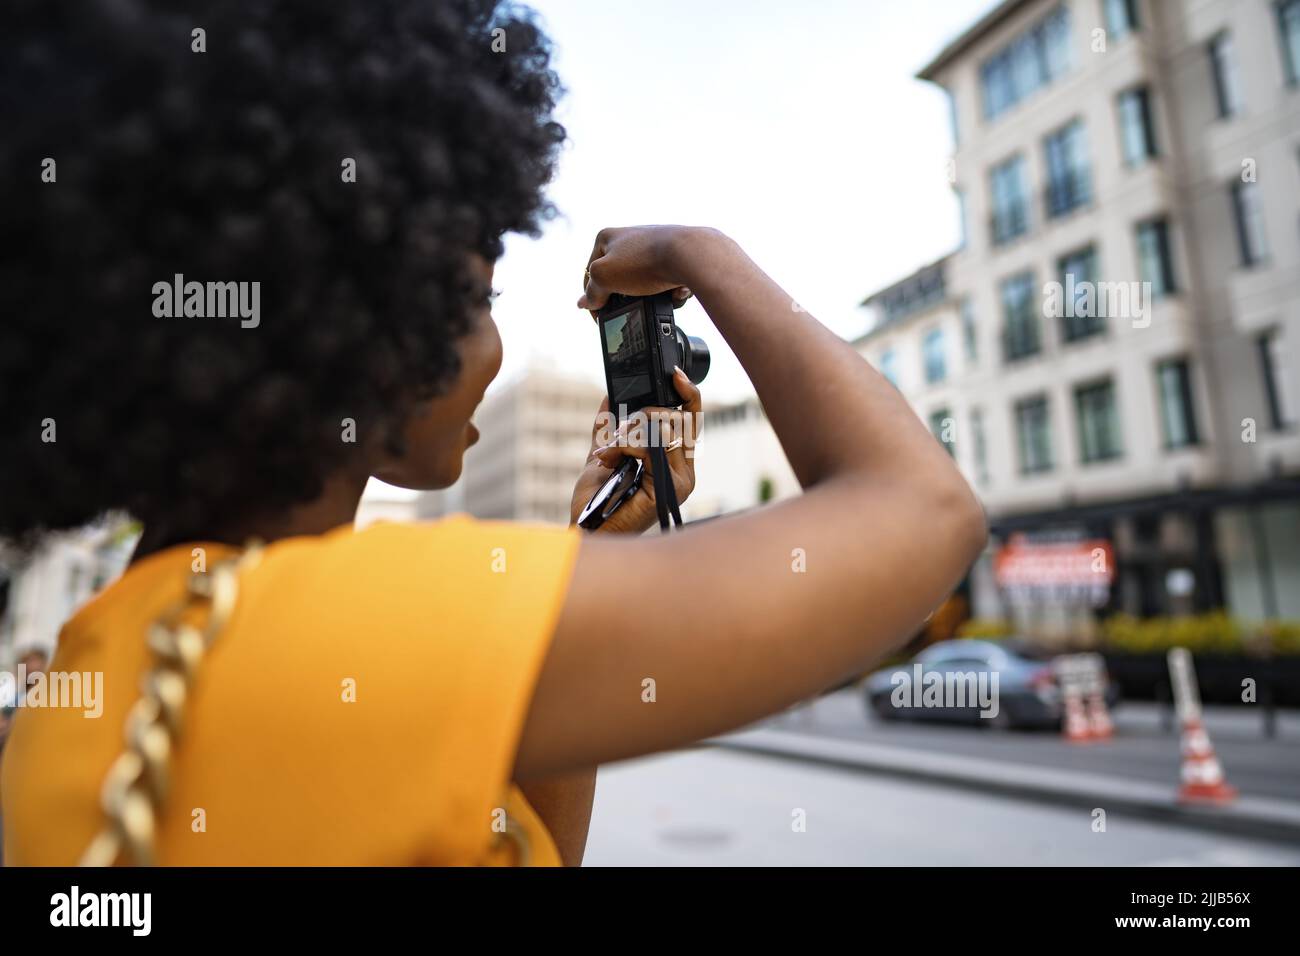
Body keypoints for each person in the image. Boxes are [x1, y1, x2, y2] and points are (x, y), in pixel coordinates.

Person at [0, 0, 985, 866]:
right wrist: (702, 254)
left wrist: (593, 545)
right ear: (365, 322)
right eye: (478, 294)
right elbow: (922, 506)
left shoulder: (104, 649)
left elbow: (522, 848)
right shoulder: (360, 623)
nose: (494, 344)